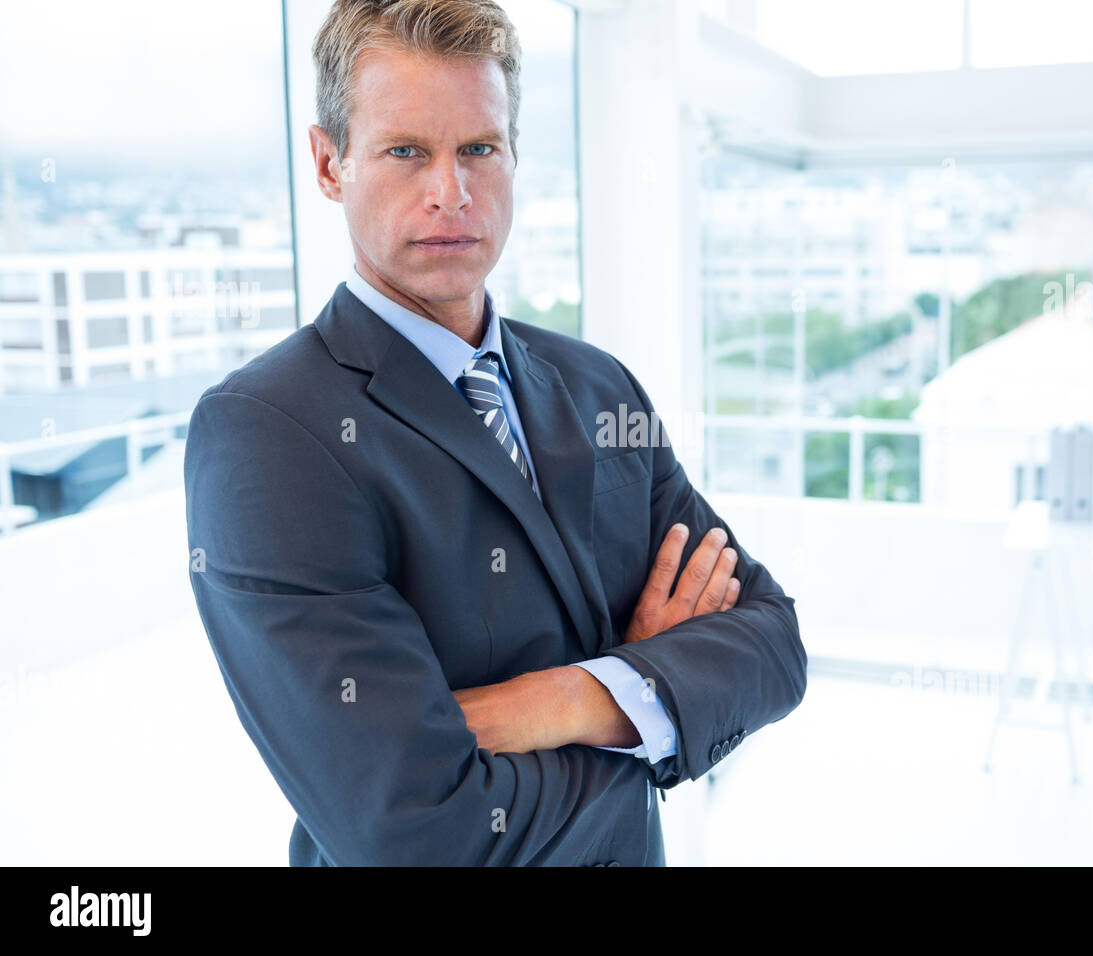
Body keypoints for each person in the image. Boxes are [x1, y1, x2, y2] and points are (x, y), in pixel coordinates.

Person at [183, 0, 806, 866]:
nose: (452, 192)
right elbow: (415, 831)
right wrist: (651, 698)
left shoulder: (598, 385)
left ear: (515, 154)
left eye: (479, 148)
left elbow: (773, 643)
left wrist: (564, 701)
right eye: (407, 151)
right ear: (330, 164)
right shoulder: (267, 433)